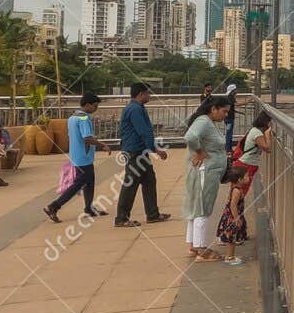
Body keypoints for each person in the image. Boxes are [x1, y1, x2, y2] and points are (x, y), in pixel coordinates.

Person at [217, 110, 271, 265]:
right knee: (237, 198)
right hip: (245, 165)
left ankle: (227, 234)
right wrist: (268, 135)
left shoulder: (253, 131)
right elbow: (268, 148)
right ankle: (229, 234)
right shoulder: (257, 133)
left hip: (245, 165)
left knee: (236, 198)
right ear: (266, 123)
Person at [115, 82, 171, 227]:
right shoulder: (135, 109)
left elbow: (145, 131)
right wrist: (156, 149)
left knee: (149, 181)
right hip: (134, 152)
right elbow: (143, 131)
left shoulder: (137, 107)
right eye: (148, 93)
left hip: (140, 151)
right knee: (131, 184)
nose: (149, 96)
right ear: (141, 94)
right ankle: (121, 218)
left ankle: (152, 214)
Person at [183, 97, 230, 261]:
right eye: (224, 111)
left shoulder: (207, 122)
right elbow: (190, 137)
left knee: (196, 207)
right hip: (206, 171)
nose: (225, 115)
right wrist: (200, 152)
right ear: (213, 109)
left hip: (207, 171)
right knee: (203, 208)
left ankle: (193, 245)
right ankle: (202, 249)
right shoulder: (203, 122)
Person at [43, 95, 102, 220]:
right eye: (95, 106)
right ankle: (54, 206)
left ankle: (89, 207)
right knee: (78, 184)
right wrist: (102, 145)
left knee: (89, 181)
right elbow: (87, 138)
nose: (96, 108)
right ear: (87, 105)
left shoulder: (72, 117)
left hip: (77, 156)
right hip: (84, 157)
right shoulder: (84, 118)